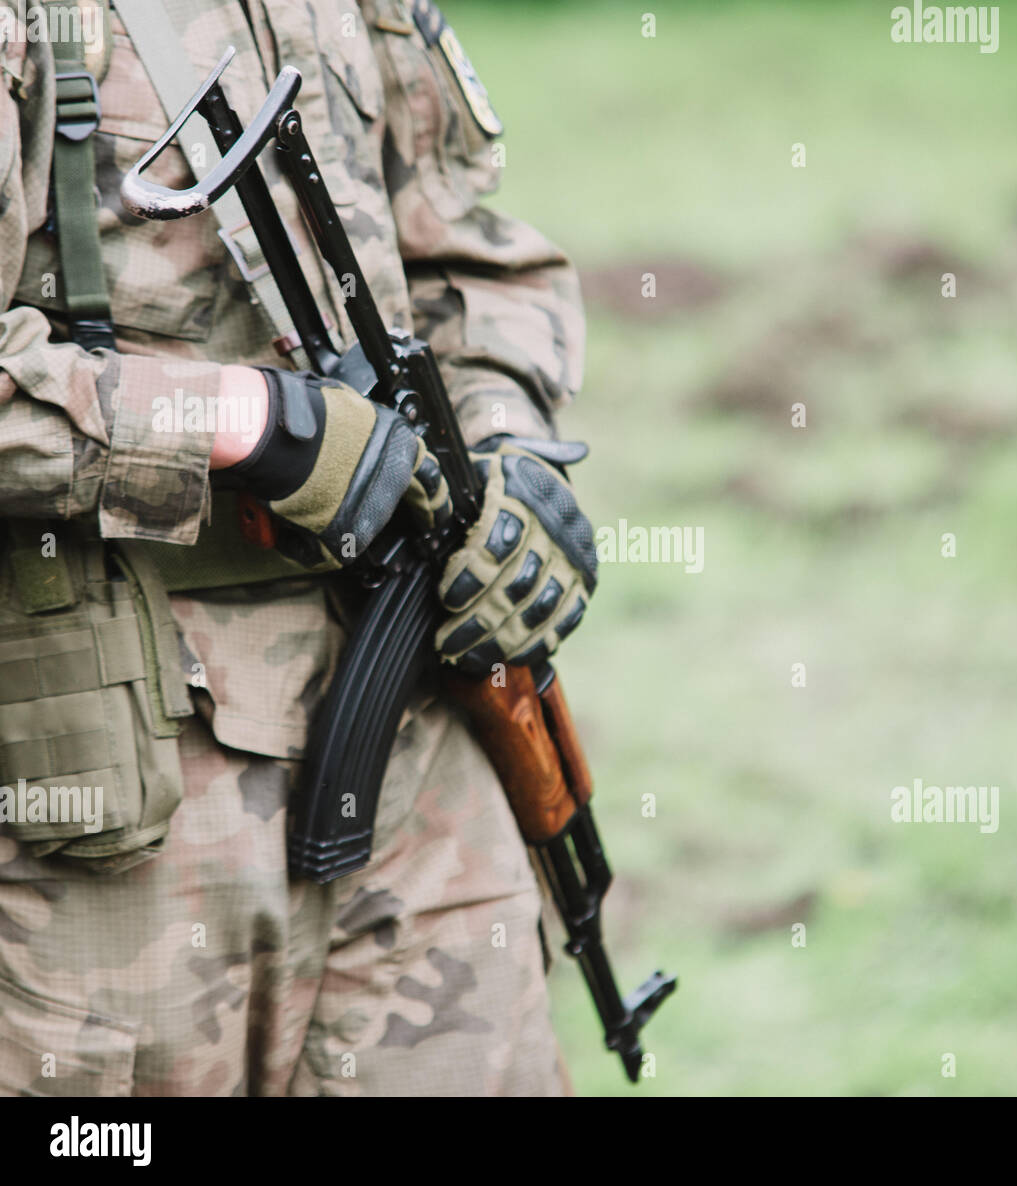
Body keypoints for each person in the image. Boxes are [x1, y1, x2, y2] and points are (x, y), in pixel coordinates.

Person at [0, 0, 595, 1095]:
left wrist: (511, 449)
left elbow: (471, 257)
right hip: (112, 810)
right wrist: (236, 422)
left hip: (420, 745)